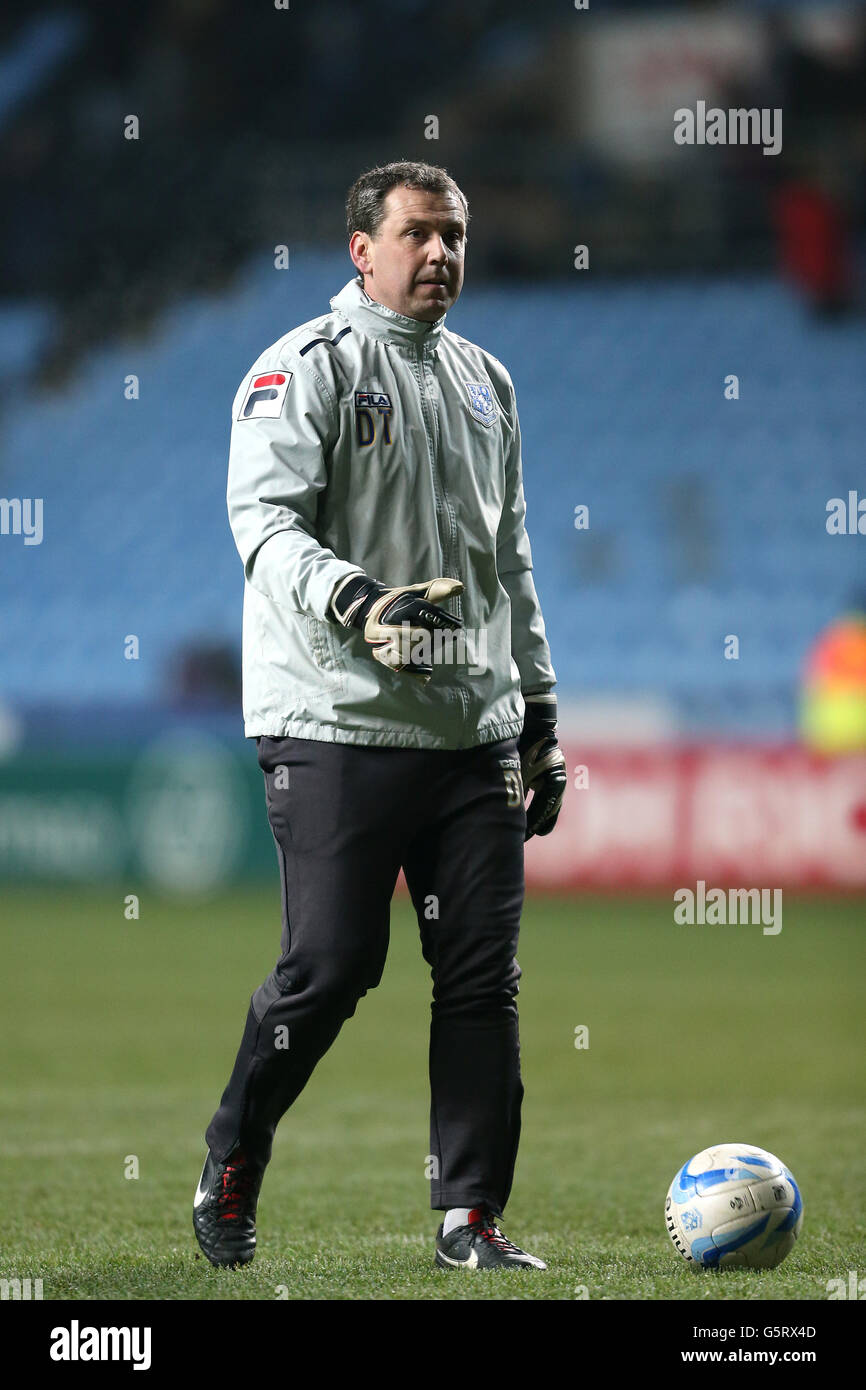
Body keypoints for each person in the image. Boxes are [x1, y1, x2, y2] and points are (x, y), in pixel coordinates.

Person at [193, 159, 567, 1273]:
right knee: (332, 965)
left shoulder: (485, 381)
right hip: (336, 718)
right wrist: (356, 597)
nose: (442, 253)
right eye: (418, 234)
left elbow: (508, 560)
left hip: (471, 732)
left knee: (479, 978)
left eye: (455, 235)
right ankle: (233, 1156)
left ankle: (469, 1217)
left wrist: (536, 704)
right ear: (361, 249)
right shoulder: (299, 369)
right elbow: (262, 525)